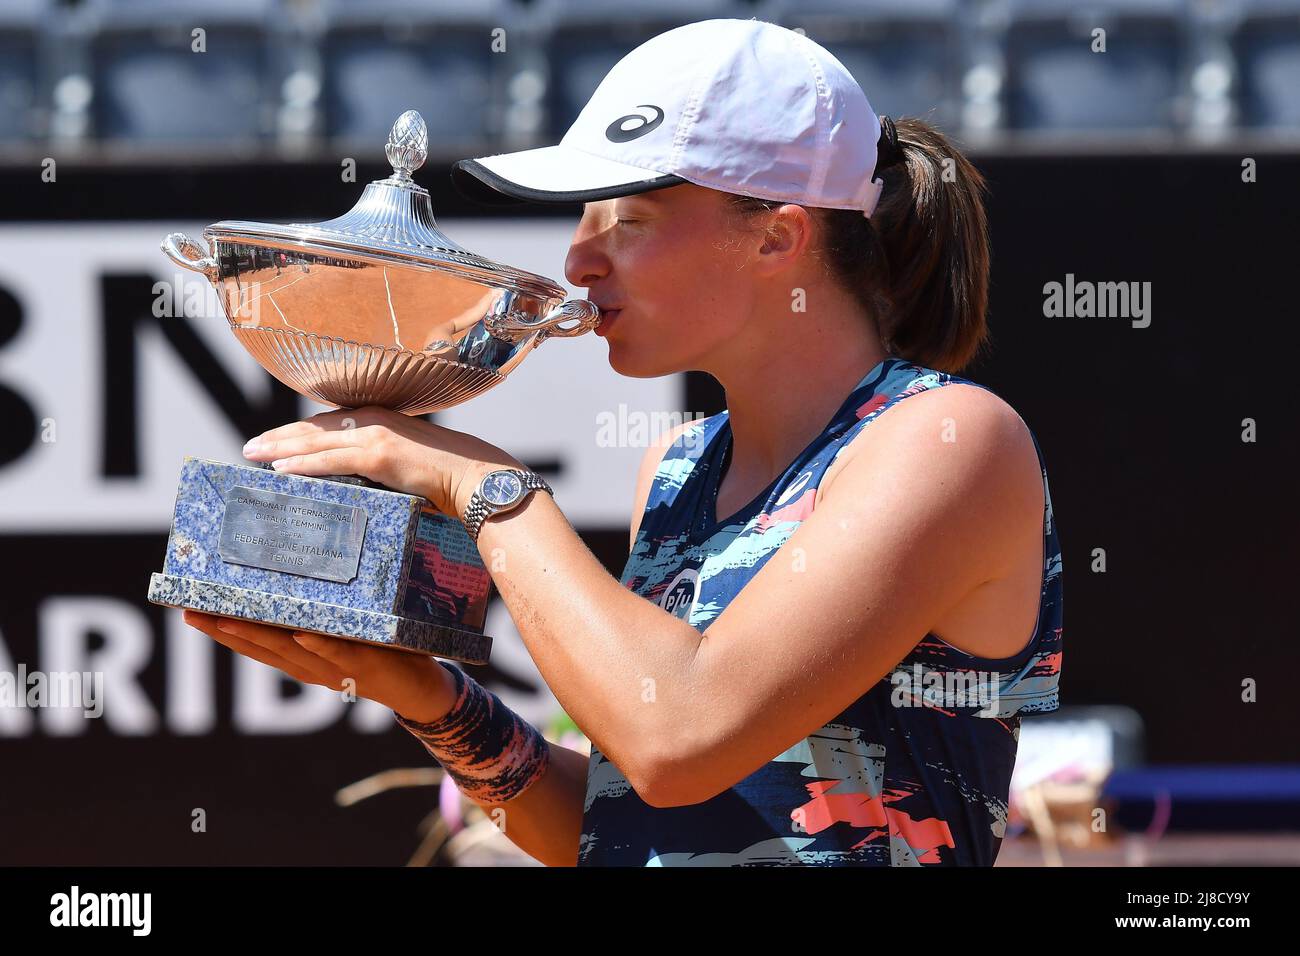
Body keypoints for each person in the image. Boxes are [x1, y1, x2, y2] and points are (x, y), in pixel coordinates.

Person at [184, 18, 1063, 867]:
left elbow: (678, 739)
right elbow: (627, 832)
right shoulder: (677, 466)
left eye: (631, 219)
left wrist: (485, 487)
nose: (579, 262)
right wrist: (434, 699)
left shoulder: (949, 440)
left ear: (776, 236)